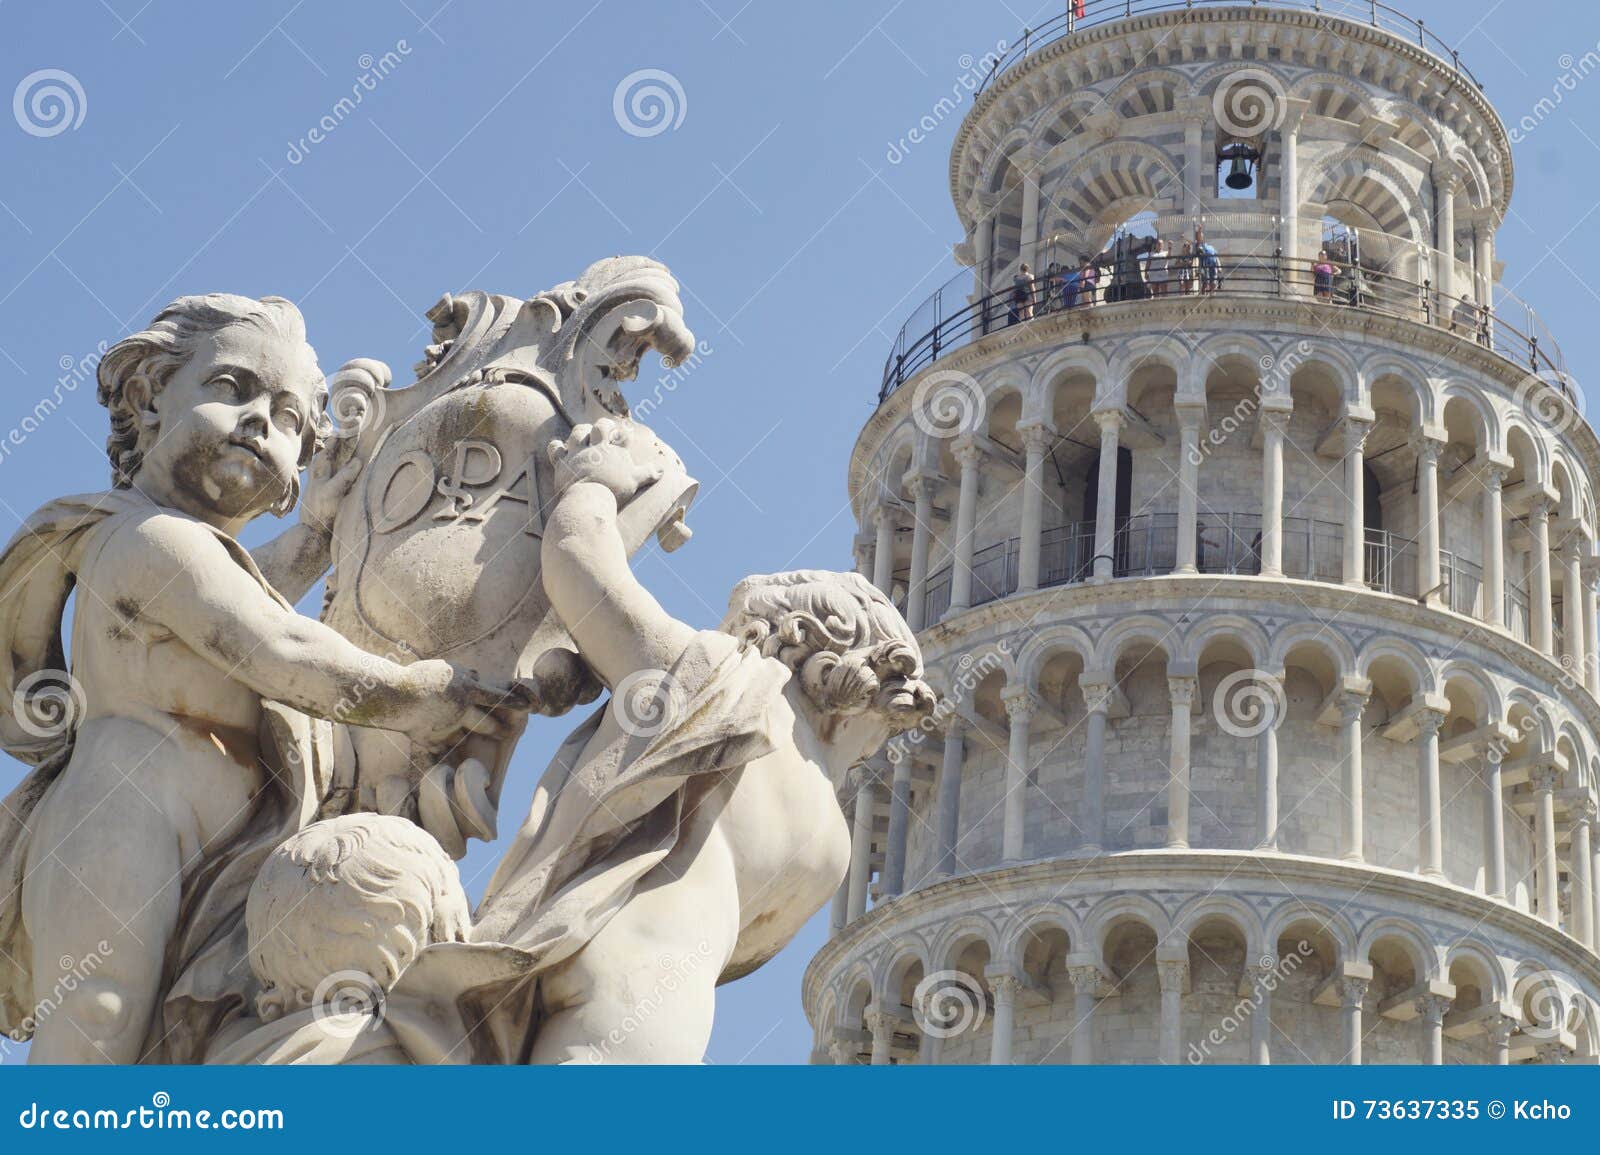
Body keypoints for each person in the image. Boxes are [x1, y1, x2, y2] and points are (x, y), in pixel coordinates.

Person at [0, 294, 530, 1063]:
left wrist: (315, 536)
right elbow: (276, 646)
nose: (259, 422)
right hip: (123, 819)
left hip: (223, 844)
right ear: (148, 398)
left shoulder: (202, 559)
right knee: (95, 1024)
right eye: (231, 388)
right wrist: (420, 696)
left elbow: (243, 602)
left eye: (287, 418)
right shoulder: (140, 536)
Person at [1195, 227, 1221, 293]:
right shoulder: (1198, 247)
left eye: (1201, 235)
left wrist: (1219, 266)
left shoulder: (1210, 246)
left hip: (1213, 266)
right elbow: (1198, 250)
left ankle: (1213, 296)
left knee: (1214, 282)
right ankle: (1203, 296)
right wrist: (1199, 231)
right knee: (1205, 283)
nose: (1200, 237)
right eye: (1198, 236)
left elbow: (1216, 256)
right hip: (1205, 267)